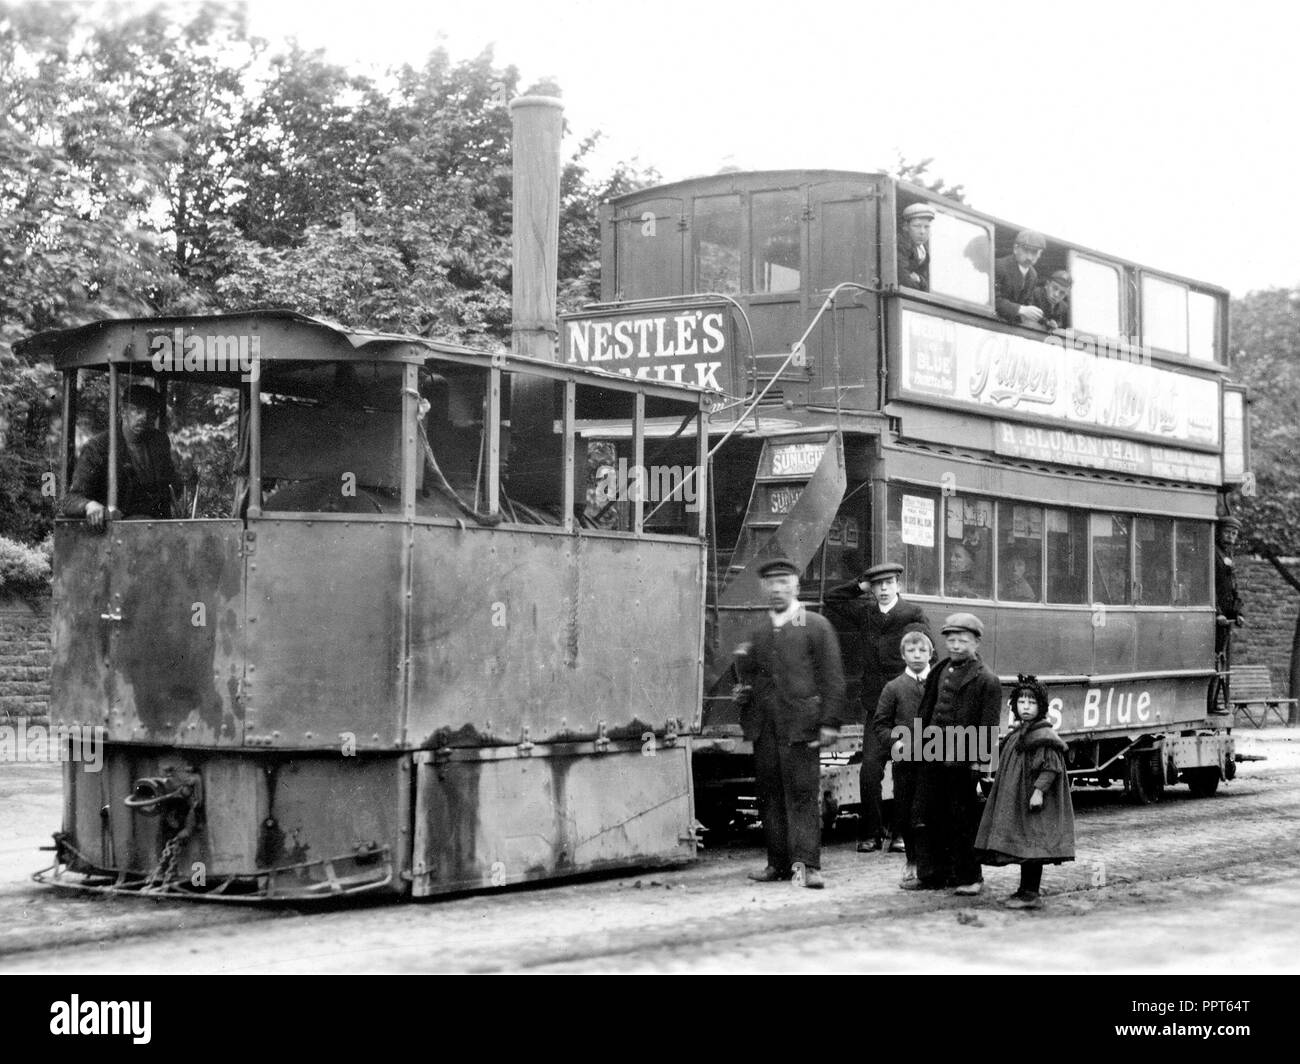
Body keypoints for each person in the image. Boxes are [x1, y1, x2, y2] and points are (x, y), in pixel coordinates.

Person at [734, 557, 846, 889]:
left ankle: (808, 866)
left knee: (801, 794)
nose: (777, 588)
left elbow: (833, 679)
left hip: (802, 727)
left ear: (796, 586)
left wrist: (829, 723)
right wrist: (742, 693)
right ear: (764, 588)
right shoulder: (758, 631)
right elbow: (746, 674)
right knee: (770, 796)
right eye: (771, 583)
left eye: (784, 582)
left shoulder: (815, 625)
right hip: (765, 728)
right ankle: (777, 864)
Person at [824, 562, 932, 852]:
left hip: (907, 706)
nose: (883, 590)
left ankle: (900, 833)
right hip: (877, 707)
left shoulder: (912, 614)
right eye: (877, 585)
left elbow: (926, 651)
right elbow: (831, 599)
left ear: (898, 584)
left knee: (904, 771)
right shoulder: (865, 612)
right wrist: (858, 585)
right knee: (870, 770)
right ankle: (870, 833)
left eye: (888, 583)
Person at [904, 612, 1002, 895]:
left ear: (976, 643)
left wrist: (980, 765)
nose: (956, 646)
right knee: (927, 815)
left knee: (962, 820)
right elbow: (926, 709)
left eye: (962, 640)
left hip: (962, 760)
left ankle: (970, 877)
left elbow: (988, 727)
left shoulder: (987, 680)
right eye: (951, 640)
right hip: (932, 754)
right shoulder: (939, 669)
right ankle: (933, 874)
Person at [974, 674, 1076, 909]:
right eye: (1021, 702)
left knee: (1032, 845)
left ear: (1041, 707)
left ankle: (1030, 893)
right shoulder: (1021, 732)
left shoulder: (1043, 736)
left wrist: (1038, 792)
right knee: (1024, 845)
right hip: (1018, 799)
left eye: (1031, 702)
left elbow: (1051, 767)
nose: (1026, 707)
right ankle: (1023, 891)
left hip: (1032, 802)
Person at [61, 385, 181, 530]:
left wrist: (184, 479)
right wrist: (89, 505)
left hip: (157, 531)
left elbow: (171, 486)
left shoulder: (158, 441)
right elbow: (70, 500)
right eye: (137, 411)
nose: (143, 417)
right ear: (123, 411)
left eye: (150, 412)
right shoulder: (99, 447)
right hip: (115, 534)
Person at [874, 626, 933, 878]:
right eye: (911, 650)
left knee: (931, 811)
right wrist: (893, 743)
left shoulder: (939, 683)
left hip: (934, 758)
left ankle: (933, 862)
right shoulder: (894, 687)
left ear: (931, 653)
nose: (917, 655)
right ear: (903, 655)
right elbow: (881, 724)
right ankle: (912, 861)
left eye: (922, 650)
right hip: (905, 760)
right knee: (906, 811)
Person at [1213, 516, 1245, 712]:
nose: (1231, 536)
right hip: (1217, 619)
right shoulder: (1214, 554)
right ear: (1219, 532)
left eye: (1234, 533)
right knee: (1215, 660)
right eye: (1227, 532)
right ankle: (1213, 702)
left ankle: (1217, 700)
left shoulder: (1228, 555)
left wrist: (1238, 612)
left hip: (1226, 619)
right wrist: (1217, 612)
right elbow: (1209, 586)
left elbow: (1234, 588)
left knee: (1221, 661)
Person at [995, 229, 1047, 326]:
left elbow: (1028, 304)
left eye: (1034, 253)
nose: (1030, 257)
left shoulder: (1032, 274)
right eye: (1026, 251)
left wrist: (1045, 321)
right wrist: (1020, 309)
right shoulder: (999, 266)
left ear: (1040, 254)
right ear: (1015, 249)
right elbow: (993, 300)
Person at [897, 203, 933, 291]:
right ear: (905, 227)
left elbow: (927, 284)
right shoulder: (901, 244)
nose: (922, 232)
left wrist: (919, 280)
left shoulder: (924, 250)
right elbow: (903, 279)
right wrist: (921, 285)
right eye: (917, 226)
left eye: (926, 227)